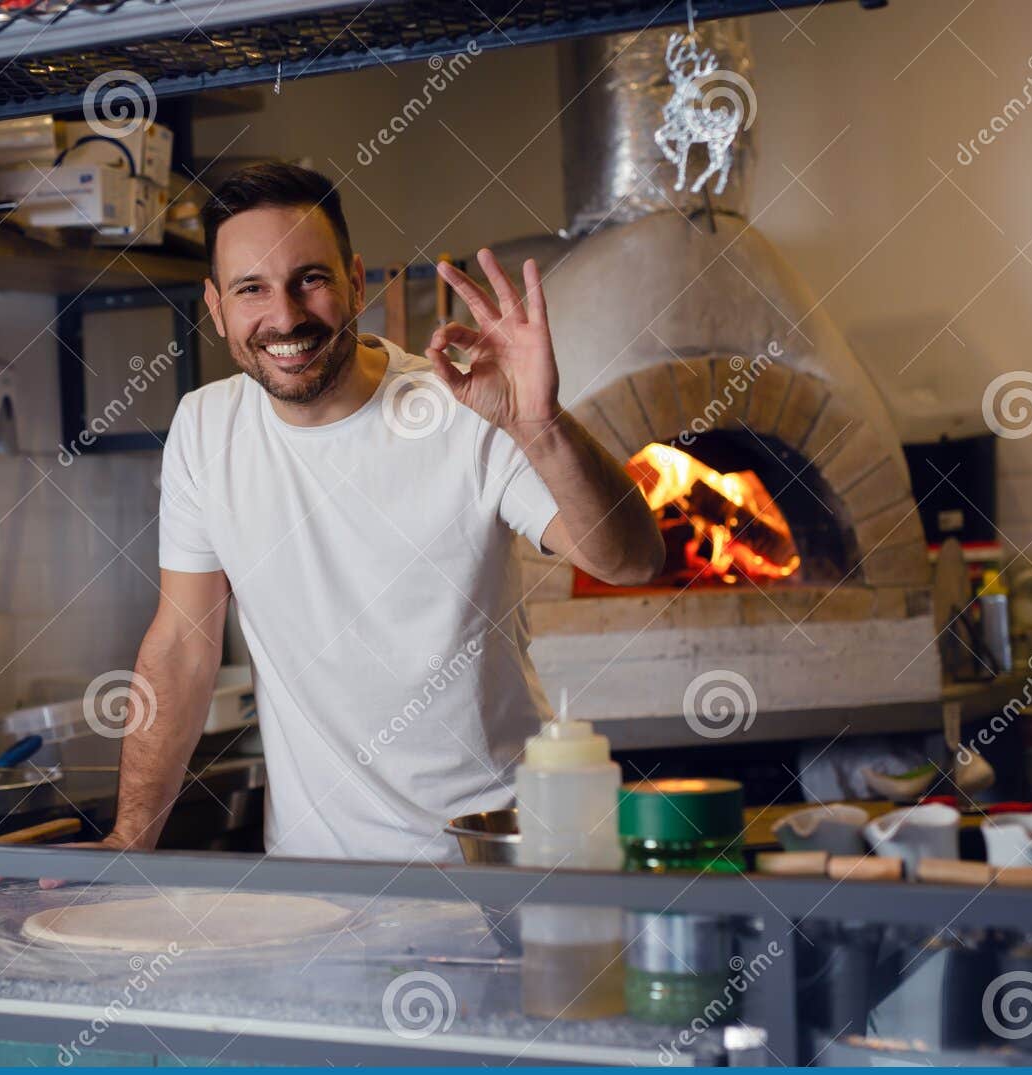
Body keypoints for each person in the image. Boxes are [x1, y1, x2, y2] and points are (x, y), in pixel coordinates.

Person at [60, 161, 661, 866]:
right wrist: (129, 842)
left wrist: (540, 423)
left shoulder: (463, 409)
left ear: (355, 281)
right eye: (252, 288)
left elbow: (631, 558)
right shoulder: (203, 429)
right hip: (317, 887)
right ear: (216, 307)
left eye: (309, 279)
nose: (284, 317)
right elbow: (181, 646)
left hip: (492, 862)